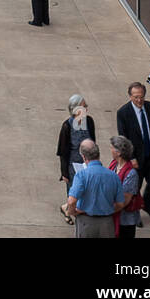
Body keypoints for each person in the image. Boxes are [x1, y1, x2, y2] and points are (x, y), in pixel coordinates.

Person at [117, 82, 150, 224]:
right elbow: (123, 137)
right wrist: (131, 158)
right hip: (136, 157)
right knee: (135, 188)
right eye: (136, 97)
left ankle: (149, 207)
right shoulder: (123, 112)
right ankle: (135, 214)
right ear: (130, 97)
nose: (139, 100)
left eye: (141, 97)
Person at [65, 139, 124, 238]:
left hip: (86, 223)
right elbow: (120, 204)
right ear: (98, 155)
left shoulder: (81, 175)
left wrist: (72, 212)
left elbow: (71, 201)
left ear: (83, 157)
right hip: (107, 223)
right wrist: (107, 209)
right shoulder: (113, 176)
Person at [56, 95, 96, 224]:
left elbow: (93, 142)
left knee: (87, 189)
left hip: (88, 163)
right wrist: (64, 173)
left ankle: (69, 209)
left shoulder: (89, 121)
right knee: (73, 190)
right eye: (83, 107)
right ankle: (70, 211)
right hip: (73, 164)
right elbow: (62, 152)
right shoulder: (67, 126)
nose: (86, 109)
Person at [107, 135, 141, 238]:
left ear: (119, 152)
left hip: (125, 221)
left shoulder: (131, 174)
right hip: (113, 212)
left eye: (112, 147)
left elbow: (123, 202)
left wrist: (104, 211)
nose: (110, 149)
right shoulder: (114, 164)